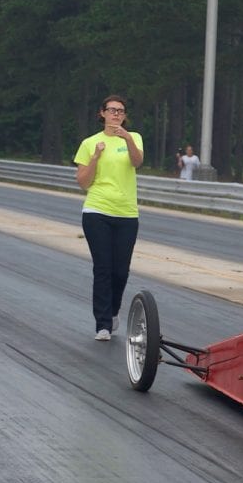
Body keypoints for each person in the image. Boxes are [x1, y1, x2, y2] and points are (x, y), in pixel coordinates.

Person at [73, 95, 144, 341]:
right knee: (103, 268)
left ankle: (113, 312)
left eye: (120, 111)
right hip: (97, 211)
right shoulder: (90, 142)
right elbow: (83, 182)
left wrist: (126, 138)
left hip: (126, 213)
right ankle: (102, 324)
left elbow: (137, 161)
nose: (116, 114)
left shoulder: (133, 138)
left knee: (120, 271)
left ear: (124, 116)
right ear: (102, 113)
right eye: (111, 110)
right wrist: (95, 158)